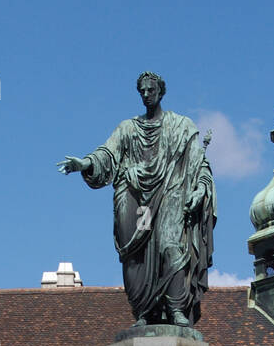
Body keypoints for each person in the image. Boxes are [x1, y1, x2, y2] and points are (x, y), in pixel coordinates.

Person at [58, 72, 215, 328]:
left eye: (150, 90)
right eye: (141, 91)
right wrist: (84, 163)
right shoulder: (128, 128)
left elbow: (200, 163)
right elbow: (107, 154)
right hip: (136, 200)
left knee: (170, 246)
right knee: (135, 258)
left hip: (170, 195)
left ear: (160, 92)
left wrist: (200, 189)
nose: (146, 95)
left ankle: (176, 308)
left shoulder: (182, 126)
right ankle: (143, 310)